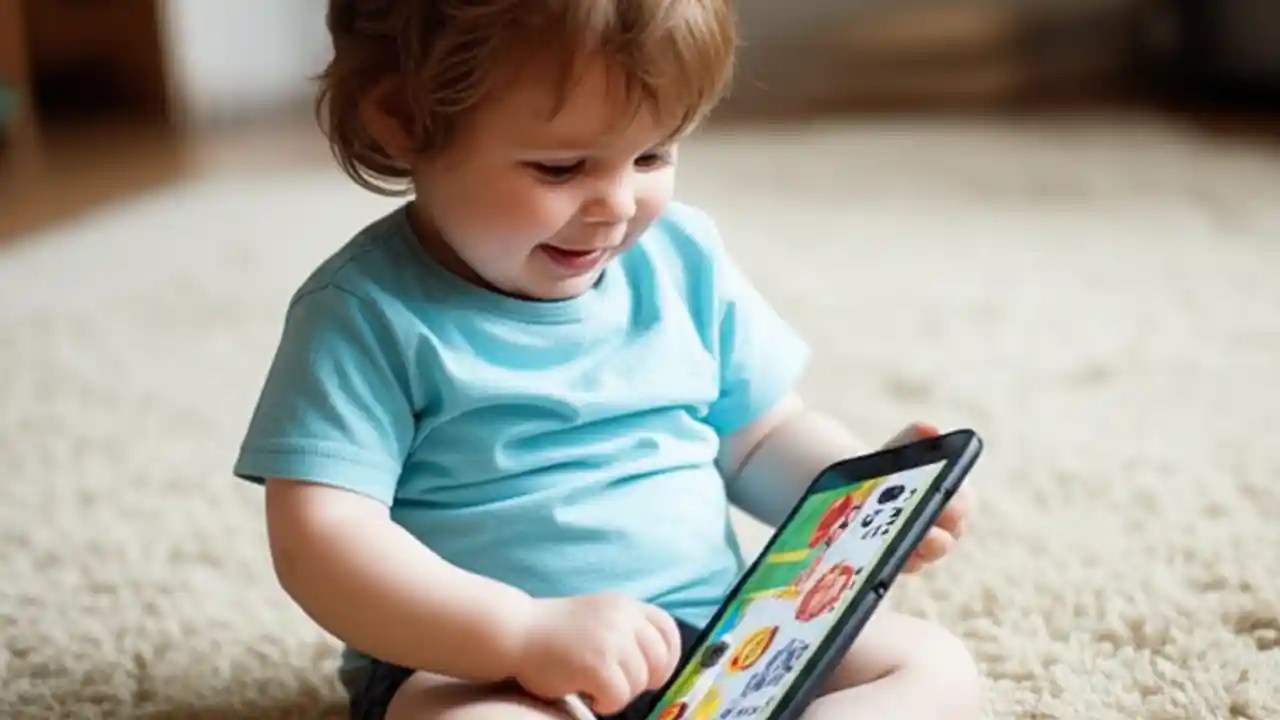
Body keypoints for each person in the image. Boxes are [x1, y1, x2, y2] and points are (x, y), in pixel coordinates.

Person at [233, 2, 980, 718]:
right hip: (481, 667)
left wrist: (862, 503)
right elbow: (322, 542)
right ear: (403, 122)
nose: (618, 204)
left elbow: (759, 440)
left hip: (721, 638)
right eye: (561, 169)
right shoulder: (364, 312)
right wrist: (521, 633)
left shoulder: (681, 259)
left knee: (932, 668)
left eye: (653, 153)